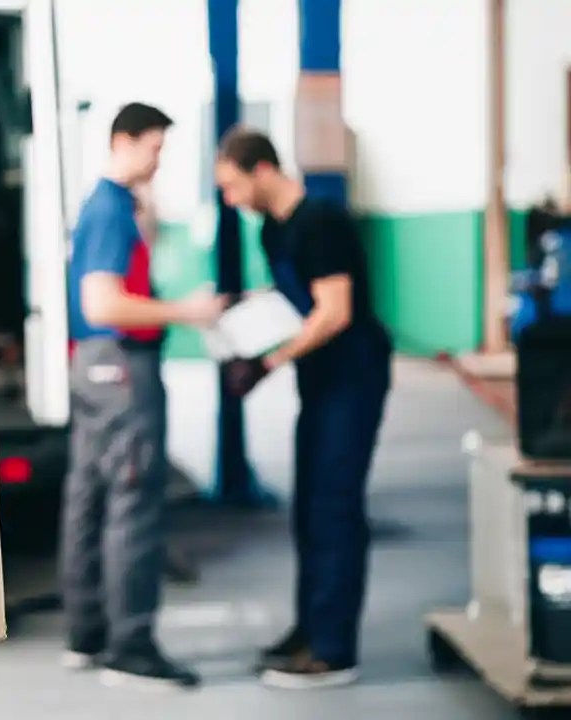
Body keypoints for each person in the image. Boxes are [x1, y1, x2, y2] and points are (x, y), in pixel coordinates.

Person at [213, 126, 392, 690]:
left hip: (354, 375)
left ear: (263, 170)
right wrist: (244, 334)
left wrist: (267, 365)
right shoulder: (273, 231)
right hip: (319, 380)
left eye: (233, 186)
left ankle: (335, 650)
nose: (230, 200)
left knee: (335, 506)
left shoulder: (322, 221)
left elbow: (333, 312)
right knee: (309, 507)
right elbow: (293, 306)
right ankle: (310, 628)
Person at [60, 102, 225, 691]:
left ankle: (87, 634)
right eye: (154, 148)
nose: (159, 161)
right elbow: (103, 304)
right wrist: (190, 311)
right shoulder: (108, 209)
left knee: (90, 493)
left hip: (92, 367)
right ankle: (131, 645)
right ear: (123, 141)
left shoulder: (112, 207)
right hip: (121, 367)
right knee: (133, 501)